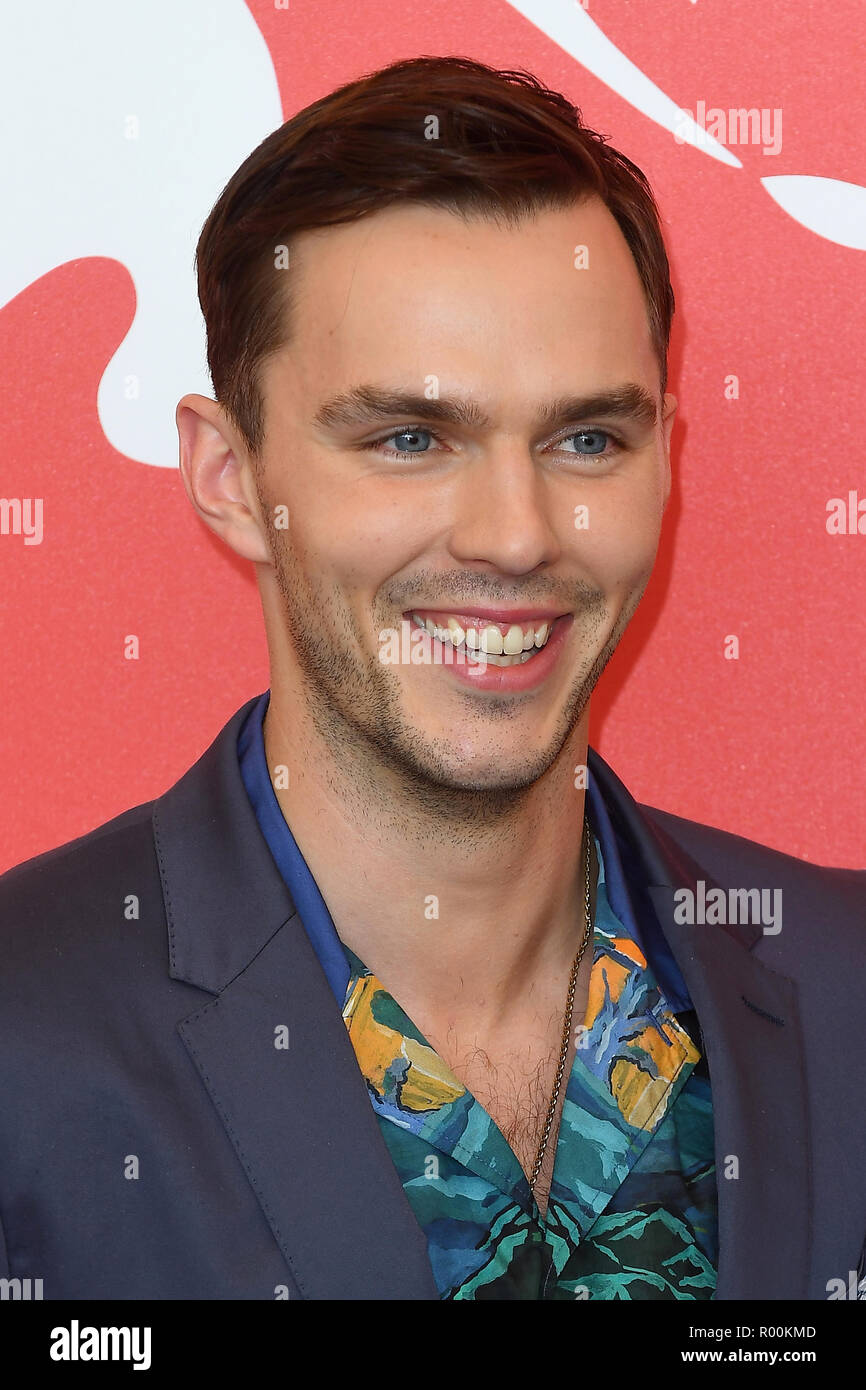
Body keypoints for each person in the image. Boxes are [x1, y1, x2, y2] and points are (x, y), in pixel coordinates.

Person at [1, 54, 863, 1303]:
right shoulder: (25, 1032)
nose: (514, 534)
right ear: (229, 476)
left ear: (665, 460)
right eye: (409, 438)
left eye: (585, 438)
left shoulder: (843, 982)